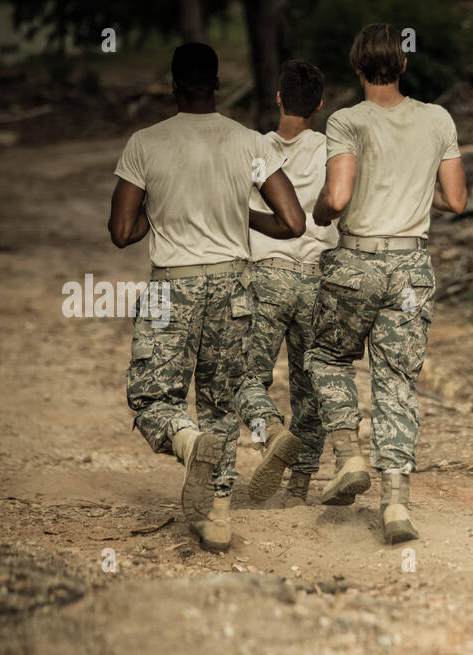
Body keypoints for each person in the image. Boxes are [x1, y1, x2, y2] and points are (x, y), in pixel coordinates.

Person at [109, 42, 305, 552]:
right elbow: (293, 222)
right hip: (234, 283)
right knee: (221, 399)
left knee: (152, 395)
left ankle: (186, 440)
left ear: (173, 86)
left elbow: (121, 231)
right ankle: (217, 514)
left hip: (171, 284)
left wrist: (164, 212)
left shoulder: (144, 143)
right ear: (216, 86)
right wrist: (238, 217)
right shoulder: (248, 142)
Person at [308, 23, 467, 544]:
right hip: (411, 270)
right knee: (396, 381)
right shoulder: (437, 119)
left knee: (328, 357)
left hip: (358, 263)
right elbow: (457, 200)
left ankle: (349, 455)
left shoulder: (347, 121)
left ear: (357, 69)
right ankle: (396, 503)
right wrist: (417, 193)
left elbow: (337, 196)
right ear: (403, 66)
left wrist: (320, 210)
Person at [238, 59, 338, 508]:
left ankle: (269, 432)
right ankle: (299, 488)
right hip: (316, 280)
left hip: (266, 276)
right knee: (308, 386)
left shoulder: (252, 148)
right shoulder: (332, 148)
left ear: (278, 98)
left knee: (246, 378)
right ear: (318, 105)